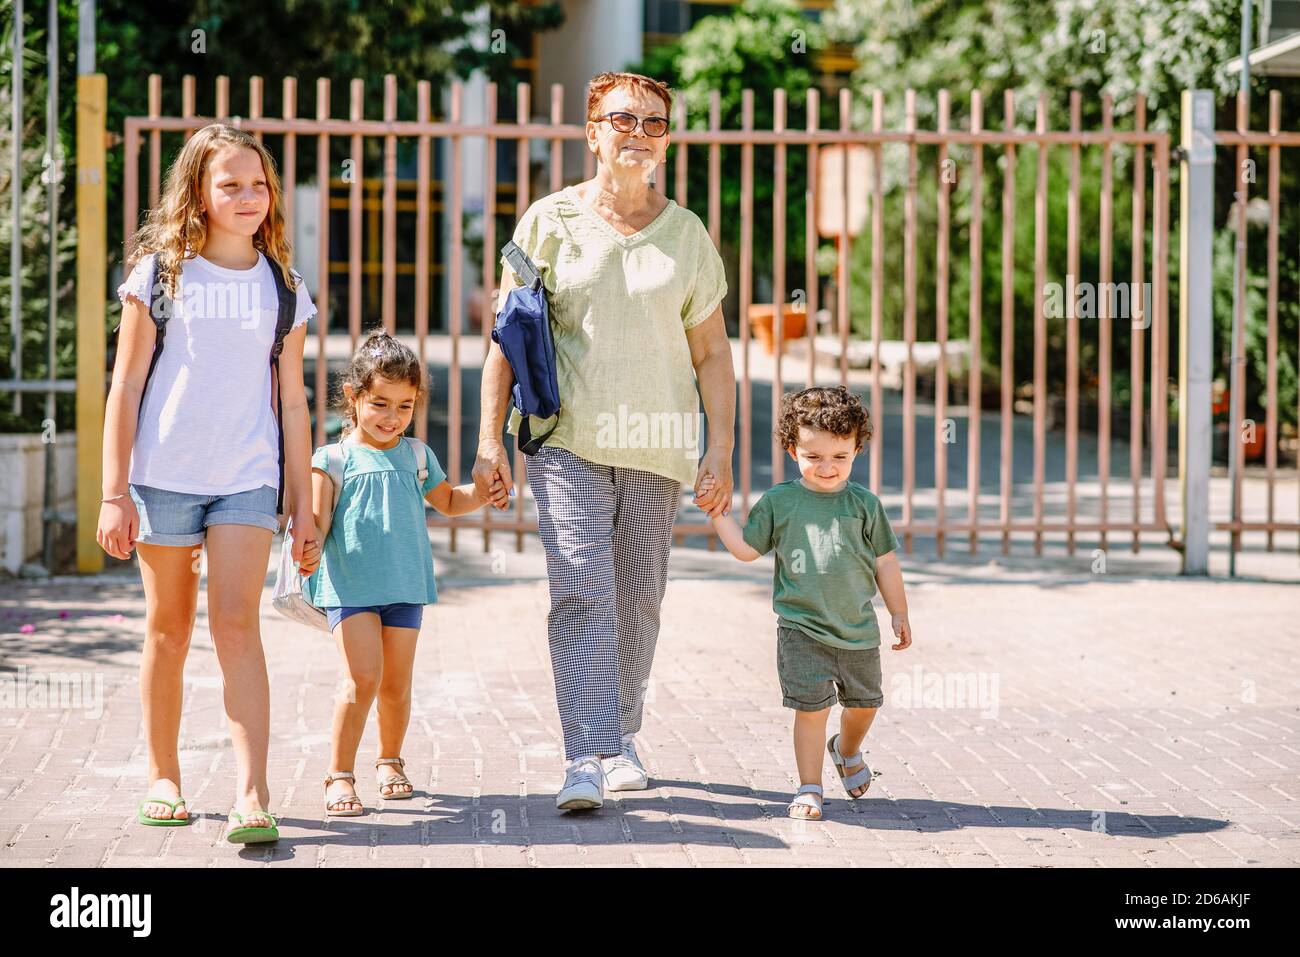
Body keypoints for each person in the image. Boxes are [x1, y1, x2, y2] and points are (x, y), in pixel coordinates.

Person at [472, 71, 736, 810]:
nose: (638, 133)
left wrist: (719, 450)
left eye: (654, 123)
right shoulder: (546, 222)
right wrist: (489, 438)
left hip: (657, 443)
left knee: (641, 598)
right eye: (623, 119)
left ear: (667, 141)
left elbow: (713, 352)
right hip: (566, 437)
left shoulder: (686, 235)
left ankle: (620, 732)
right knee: (582, 590)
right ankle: (586, 753)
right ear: (592, 132)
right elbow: (506, 335)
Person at [99, 123, 319, 843]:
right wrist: (114, 491)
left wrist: (303, 503)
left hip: (247, 477)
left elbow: (292, 399)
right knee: (167, 630)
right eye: (230, 184)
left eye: (258, 184)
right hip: (163, 476)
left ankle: (253, 793)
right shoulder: (160, 273)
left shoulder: (283, 287)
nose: (248, 196)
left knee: (235, 625)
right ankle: (165, 776)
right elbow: (126, 384)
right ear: (198, 189)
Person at [309, 331, 506, 816]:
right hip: (351, 588)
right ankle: (338, 775)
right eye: (380, 403)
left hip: (405, 587)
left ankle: (390, 761)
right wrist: (304, 543)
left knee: (397, 685)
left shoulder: (417, 455)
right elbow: (316, 525)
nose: (392, 417)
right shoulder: (331, 460)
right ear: (353, 398)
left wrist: (484, 493)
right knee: (363, 679)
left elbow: (449, 502)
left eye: (405, 406)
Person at [703, 386, 913, 820]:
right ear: (791, 447)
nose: (827, 467)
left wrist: (899, 612)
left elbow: (886, 562)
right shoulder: (781, 502)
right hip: (801, 630)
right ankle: (810, 787)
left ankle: (848, 749)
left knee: (865, 704)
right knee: (811, 711)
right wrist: (718, 515)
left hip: (857, 630)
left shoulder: (864, 505)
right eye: (814, 456)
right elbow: (746, 550)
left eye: (840, 456)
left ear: (857, 448)